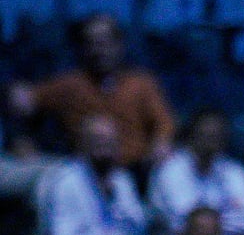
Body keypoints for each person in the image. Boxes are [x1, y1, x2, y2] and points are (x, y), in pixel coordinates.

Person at [7, 12, 176, 179]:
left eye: (105, 43)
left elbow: (164, 123)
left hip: (136, 171)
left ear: (119, 45)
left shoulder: (141, 84)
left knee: (173, 169)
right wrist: (20, 138)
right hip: (87, 174)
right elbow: (24, 100)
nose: (99, 51)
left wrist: (161, 144)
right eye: (91, 44)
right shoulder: (70, 85)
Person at [147, 107, 244, 235]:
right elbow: (179, 221)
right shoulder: (169, 170)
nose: (211, 141)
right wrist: (226, 219)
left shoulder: (236, 172)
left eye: (217, 136)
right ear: (192, 135)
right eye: (206, 135)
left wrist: (209, 222)